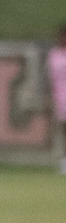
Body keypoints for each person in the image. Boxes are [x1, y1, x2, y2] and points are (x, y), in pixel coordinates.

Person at [50, 23, 66, 174]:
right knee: (63, 130)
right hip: (61, 97)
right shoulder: (54, 54)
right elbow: (52, 77)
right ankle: (64, 161)